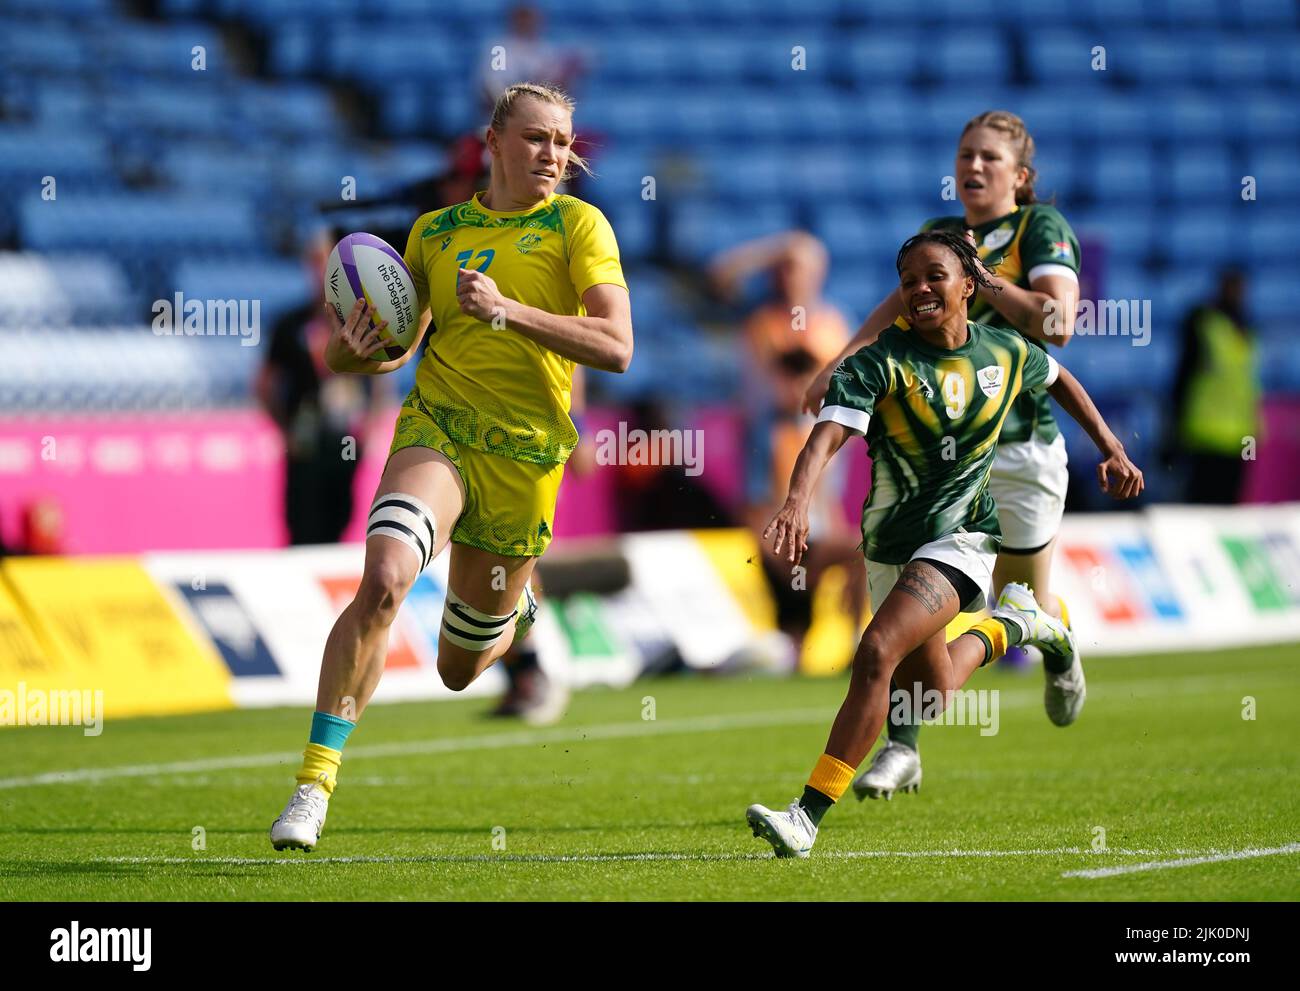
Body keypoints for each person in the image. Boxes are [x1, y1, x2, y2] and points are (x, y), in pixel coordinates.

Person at [270, 82, 632, 851]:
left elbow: (617, 345)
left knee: (459, 669)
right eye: (536, 138)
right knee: (385, 580)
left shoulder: (579, 225)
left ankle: (516, 609)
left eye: (563, 143)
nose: (553, 154)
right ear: (494, 142)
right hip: (439, 432)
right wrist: (351, 345)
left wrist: (512, 311)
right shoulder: (436, 232)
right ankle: (314, 783)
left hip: (527, 459)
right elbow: (389, 347)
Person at [746, 231, 1141, 858]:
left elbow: (1060, 376)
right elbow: (825, 437)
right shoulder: (879, 361)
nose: (920, 289)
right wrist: (796, 501)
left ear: (968, 284)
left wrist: (1111, 447)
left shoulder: (1005, 350)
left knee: (874, 650)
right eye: (908, 281)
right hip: (890, 545)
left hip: (962, 540)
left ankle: (806, 816)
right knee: (931, 690)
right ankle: (1023, 625)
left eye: (935, 276)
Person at [803, 110, 1085, 799]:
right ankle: (903, 747)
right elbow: (894, 310)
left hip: (1019, 449)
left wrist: (984, 280)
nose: (975, 166)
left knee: (1019, 602)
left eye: (990, 157)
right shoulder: (945, 238)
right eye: (966, 153)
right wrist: (840, 362)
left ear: (1019, 176)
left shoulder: (1038, 230)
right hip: (942, 455)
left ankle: (1050, 635)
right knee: (906, 606)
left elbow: (1060, 323)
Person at [709, 231, 865, 662]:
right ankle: (790, 650)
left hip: (819, 503)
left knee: (859, 554)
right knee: (789, 594)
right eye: (784, 268)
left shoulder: (834, 324)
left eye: (798, 267)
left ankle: (856, 650)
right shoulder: (761, 323)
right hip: (772, 502)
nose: (789, 276)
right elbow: (719, 276)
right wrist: (777, 248)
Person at [257, 227, 386, 546]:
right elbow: (264, 383)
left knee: (340, 519)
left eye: (327, 262)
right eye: (315, 262)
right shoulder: (291, 323)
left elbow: (380, 377)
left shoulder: (361, 319)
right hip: (306, 441)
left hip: (345, 440)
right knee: (302, 526)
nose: (321, 270)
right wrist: (285, 429)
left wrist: (370, 426)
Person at [1170, 269, 1259, 504]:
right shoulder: (1204, 324)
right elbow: (1183, 374)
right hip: (1205, 434)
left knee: (1232, 502)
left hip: (1240, 437)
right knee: (1204, 501)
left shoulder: (1246, 329)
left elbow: (1247, 386)